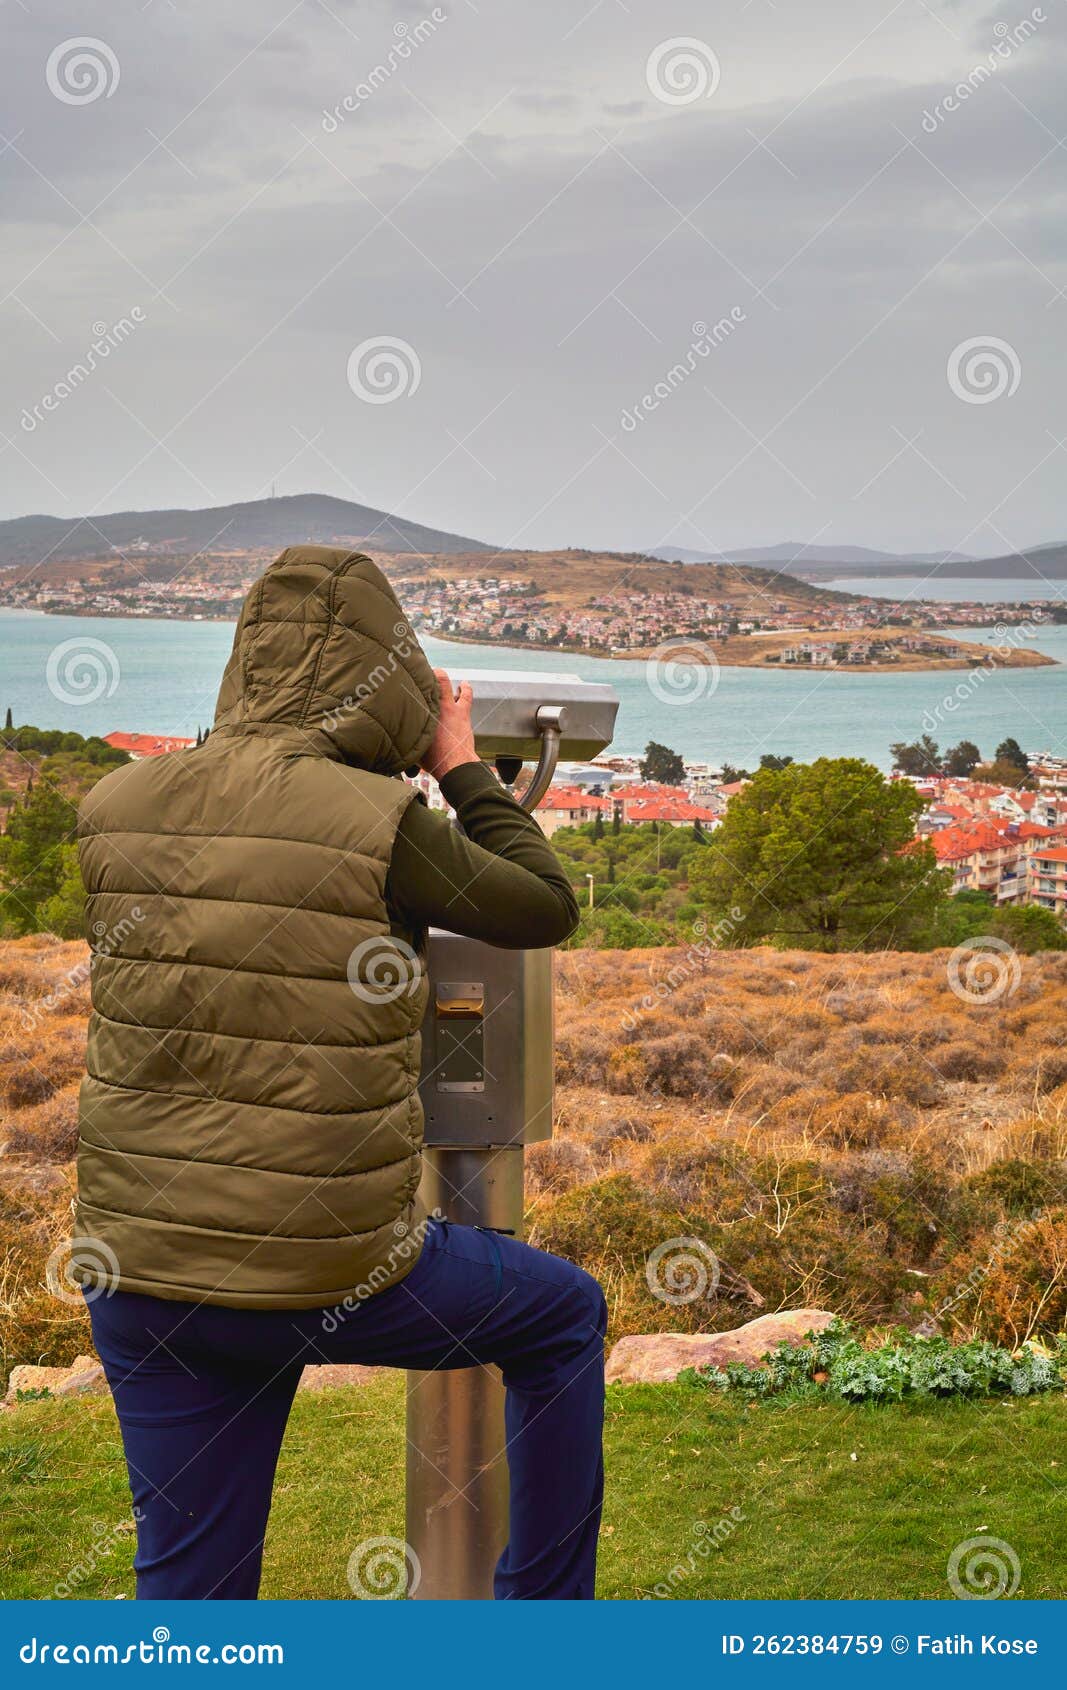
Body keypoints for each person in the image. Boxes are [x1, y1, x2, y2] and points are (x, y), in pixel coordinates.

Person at [74, 545, 607, 1601]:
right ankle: (544, 1632)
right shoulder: (380, 825)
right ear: (384, 677)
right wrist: (460, 769)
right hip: (326, 1275)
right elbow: (540, 905)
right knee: (563, 1317)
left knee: (190, 1601)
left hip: (140, 1272)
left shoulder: (113, 805)